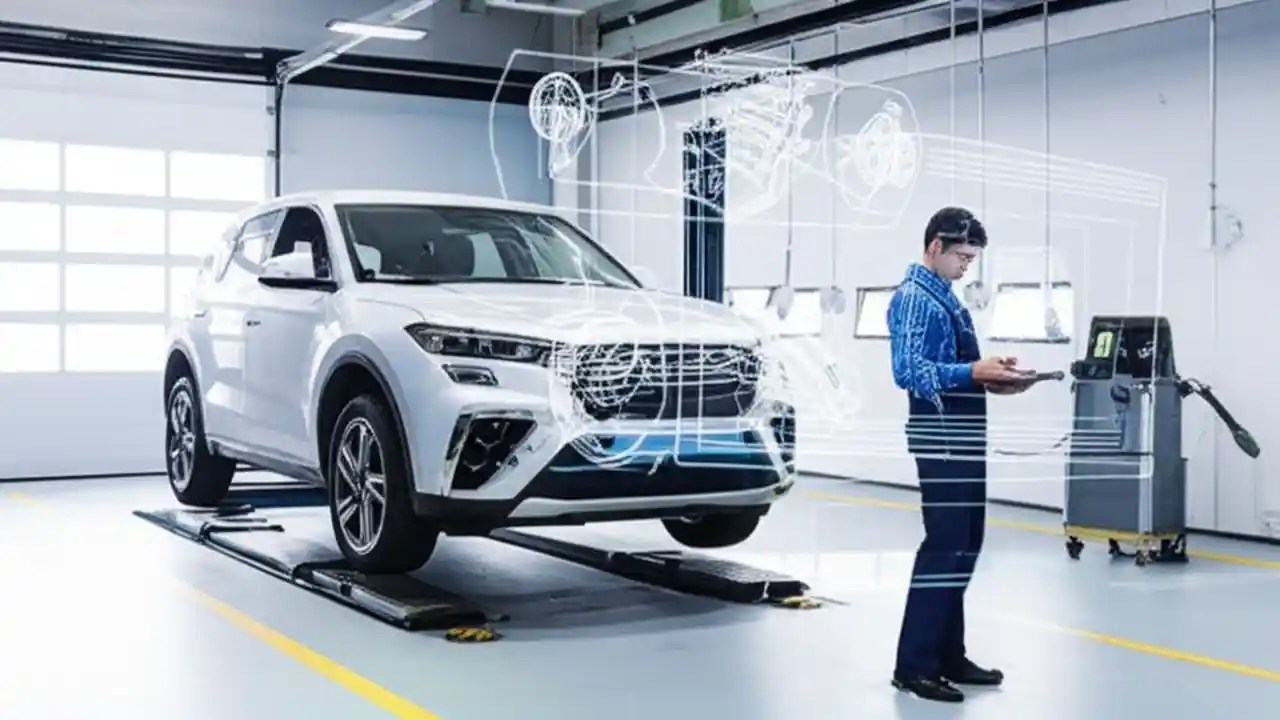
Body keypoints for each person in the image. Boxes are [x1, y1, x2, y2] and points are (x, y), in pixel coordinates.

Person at [885, 206, 1030, 703]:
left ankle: (948, 653)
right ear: (934, 248)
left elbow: (954, 368)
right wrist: (972, 374)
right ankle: (914, 665)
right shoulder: (913, 300)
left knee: (966, 544)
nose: (967, 265)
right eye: (962, 256)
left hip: (963, 437)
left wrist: (994, 378)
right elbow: (908, 371)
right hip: (941, 440)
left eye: (972, 258)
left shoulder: (946, 299)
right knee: (944, 547)